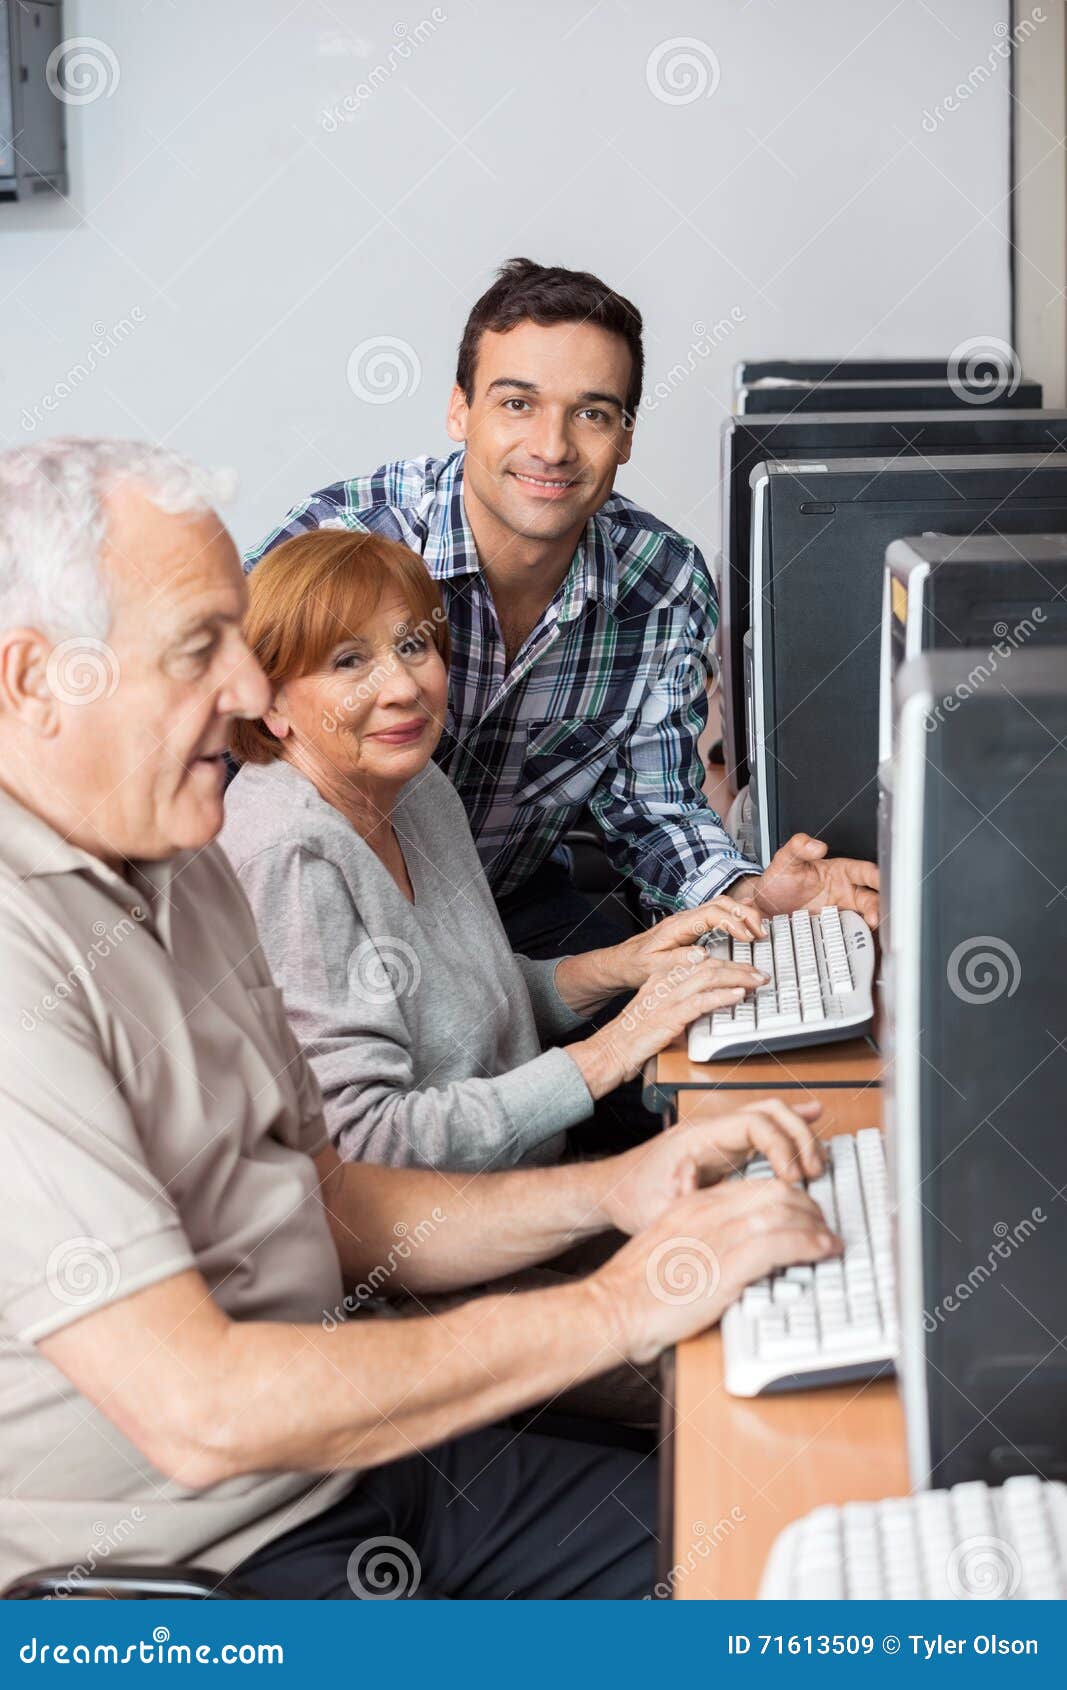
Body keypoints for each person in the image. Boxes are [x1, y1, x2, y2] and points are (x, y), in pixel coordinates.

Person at [0, 437, 839, 1600]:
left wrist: (615, 1192)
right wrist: (619, 1299)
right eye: (199, 650)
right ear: (36, 679)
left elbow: (335, 1194)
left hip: (350, 1455)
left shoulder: (177, 854)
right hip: (191, 1571)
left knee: (797, 1556)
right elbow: (198, 1412)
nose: (249, 694)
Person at [247, 256, 881, 976]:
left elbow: (655, 812)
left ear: (626, 435)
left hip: (505, 912)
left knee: (687, 1018)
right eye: (517, 404)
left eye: (590, 413)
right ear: (460, 409)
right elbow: (217, 730)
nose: (551, 448)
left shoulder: (661, 580)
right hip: (326, 919)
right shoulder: (349, 539)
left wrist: (749, 895)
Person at [219, 527, 767, 1172]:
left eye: (413, 646)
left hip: (531, 1178)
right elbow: (365, 1148)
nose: (401, 688)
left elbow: (470, 1014)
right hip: (443, 1242)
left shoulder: (415, 785)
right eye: (348, 661)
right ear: (270, 705)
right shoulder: (291, 856)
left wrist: (627, 963)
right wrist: (613, 1048)